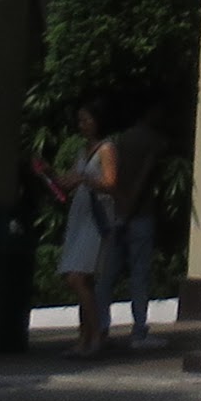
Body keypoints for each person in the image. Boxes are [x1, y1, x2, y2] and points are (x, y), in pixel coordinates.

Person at [51, 99, 122, 359]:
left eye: (86, 119)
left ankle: (95, 335)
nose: (82, 125)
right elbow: (67, 181)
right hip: (80, 216)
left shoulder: (107, 148)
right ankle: (84, 337)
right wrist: (52, 176)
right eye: (80, 120)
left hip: (97, 217)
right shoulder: (84, 151)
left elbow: (111, 183)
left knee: (78, 277)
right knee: (83, 280)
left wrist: (85, 179)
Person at [106, 108, 172, 346]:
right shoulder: (153, 141)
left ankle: (100, 327)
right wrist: (131, 208)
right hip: (140, 214)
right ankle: (139, 330)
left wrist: (121, 211)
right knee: (139, 274)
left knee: (108, 274)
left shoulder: (119, 140)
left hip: (117, 211)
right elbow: (144, 178)